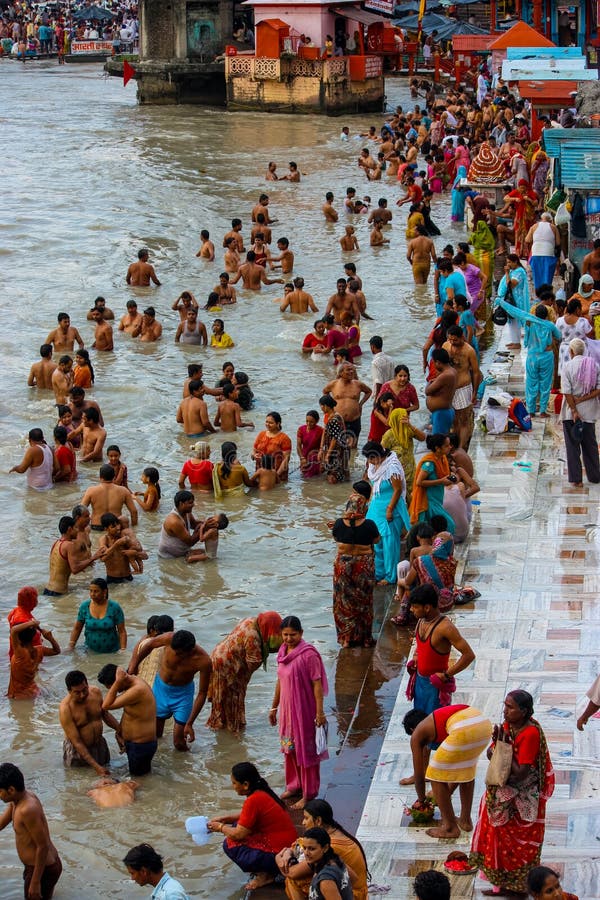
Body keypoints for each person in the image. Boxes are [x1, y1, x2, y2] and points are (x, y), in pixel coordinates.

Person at [470, 690, 555, 895]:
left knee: (516, 846)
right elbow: (492, 754)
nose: (505, 711)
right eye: (505, 705)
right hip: (502, 794)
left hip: (519, 801)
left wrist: (504, 746)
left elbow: (520, 774)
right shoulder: (508, 726)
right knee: (497, 840)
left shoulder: (530, 734)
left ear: (524, 711)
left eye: (510, 707)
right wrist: (499, 744)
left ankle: (518, 889)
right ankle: (503, 885)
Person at [404, 704, 492, 839]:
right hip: (483, 726)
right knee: (465, 770)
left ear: (412, 729)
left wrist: (422, 801)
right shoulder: (438, 722)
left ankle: (450, 828)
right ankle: (465, 820)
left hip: (464, 728)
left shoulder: (417, 733)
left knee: (434, 774)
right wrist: (445, 794)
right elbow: (456, 773)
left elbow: (419, 776)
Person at [208, 762, 297, 892]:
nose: (233, 787)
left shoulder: (253, 800)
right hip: (288, 845)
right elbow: (247, 816)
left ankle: (266, 874)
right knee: (234, 825)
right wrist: (224, 819)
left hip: (282, 853)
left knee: (230, 843)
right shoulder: (261, 791)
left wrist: (220, 827)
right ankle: (266, 868)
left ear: (245, 785)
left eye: (234, 783)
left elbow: (238, 834)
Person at [269, 616, 328, 808]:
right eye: (285, 635)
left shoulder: (308, 654)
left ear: (301, 633)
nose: (288, 638)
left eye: (292, 635)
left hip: (304, 710)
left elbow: (316, 684)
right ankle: (294, 785)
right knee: (290, 749)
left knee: (305, 750)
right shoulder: (282, 652)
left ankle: (309, 792)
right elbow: (280, 681)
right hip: (287, 710)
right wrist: (274, 706)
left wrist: (320, 713)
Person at [128, 629, 212, 752]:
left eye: (179, 653)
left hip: (182, 695)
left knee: (178, 742)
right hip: (161, 689)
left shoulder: (204, 661)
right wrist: (134, 664)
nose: (176, 655)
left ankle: (186, 766)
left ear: (189, 651)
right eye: (174, 651)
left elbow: (202, 693)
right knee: (155, 734)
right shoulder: (168, 638)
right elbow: (149, 645)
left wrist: (190, 723)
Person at [277, 798, 369, 900]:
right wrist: (288, 852)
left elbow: (292, 873)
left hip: (356, 894)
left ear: (318, 821)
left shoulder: (325, 879)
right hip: (353, 889)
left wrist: (278, 858)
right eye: (305, 849)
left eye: (306, 818)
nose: (303, 822)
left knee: (293, 880)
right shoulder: (330, 842)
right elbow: (299, 843)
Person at [207, 612, 282, 732]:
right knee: (232, 698)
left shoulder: (251, 621)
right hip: (228, 667)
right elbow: (252, 664)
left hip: (218, 655)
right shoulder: (253, 637)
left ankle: (223, 726)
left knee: (223, 699)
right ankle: (231, 730)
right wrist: (275, 649)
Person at [0, 763, 63, 900]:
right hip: (42, 867)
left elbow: (43, 846)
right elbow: (1, 824)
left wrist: (35, 883)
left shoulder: (27, 809)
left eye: (0, 792)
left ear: (10, 790)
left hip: (43, 869)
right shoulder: (16, 800)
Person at [331, 491, 380, 647]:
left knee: (343, 602)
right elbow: (377, 540)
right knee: (364, 601)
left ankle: (346, 639)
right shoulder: (369, 524)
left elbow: (336, 538)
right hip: (363, 566)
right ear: (363, 507)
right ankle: (365, 639)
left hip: (342, 567)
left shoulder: (338, 524)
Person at [362, 441, 409, 584]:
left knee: (390, 544)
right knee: (377, 542)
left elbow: (398, 490)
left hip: (390, 509)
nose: (369, 462)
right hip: (376, 508)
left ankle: (390, 576)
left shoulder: (392, 467)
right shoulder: (374, 466)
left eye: (371, 458)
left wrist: (389, 509)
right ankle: (379, 572)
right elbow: (372, 485)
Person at [98, 664, 158, 776]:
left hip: (141, 745)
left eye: (111, 687)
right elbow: (129, 713)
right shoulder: (131, 685)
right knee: (139, 777)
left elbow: (106, 705)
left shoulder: (137, 689)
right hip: (136, 745)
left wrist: (117, 683)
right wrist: (119, 732)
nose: (112, 690)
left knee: (139, 781)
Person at [59, 669, 117, 775]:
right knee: (80, 781)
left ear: (87, 684)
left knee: (108, 776)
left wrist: (120, 731)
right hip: (78, 751)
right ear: (69, 691)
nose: (82, 695)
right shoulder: (65, 709)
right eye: (77, 692)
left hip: (99, 745)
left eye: (84, 690)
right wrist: (96, 766)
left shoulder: (95, 692)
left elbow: (105, 715)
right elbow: (76, 742)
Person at [560, 338, 600, 486]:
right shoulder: (594, 366)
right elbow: (598, 389)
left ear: (571, 351)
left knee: (572, 446)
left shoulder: (568, 367)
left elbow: (567, 392)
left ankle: (577, 480)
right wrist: (584, 398)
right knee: (590, 445)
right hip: (589, 412)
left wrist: (574, 410)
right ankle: (595, 476)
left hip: (571, 414)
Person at [443, 325, 481, 450]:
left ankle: (461, 447)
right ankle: (454, 444)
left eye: (455, 340)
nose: (453, 342)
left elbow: (476, 372)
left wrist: (475, 392)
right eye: (450, 340)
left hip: (463, 388)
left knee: (463, 419)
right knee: (453, 419)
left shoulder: (469, 350)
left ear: (462, 337)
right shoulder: (446, 346)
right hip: (449, 389)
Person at [409, 434, 455, 531]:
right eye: (446, 446)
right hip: (428, 501)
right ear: (437, 448)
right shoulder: (429, 463)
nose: (450, 447)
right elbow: (419, 482)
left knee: (432, 529)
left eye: (449, 444)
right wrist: (441, 481)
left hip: (437, 499)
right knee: (449, 525)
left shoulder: (442, 458)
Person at [69, 578, 127, 653]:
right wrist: (71, 645)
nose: (92, 594)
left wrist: (123, 650)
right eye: (91, 591)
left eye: (96, 591)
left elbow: (122, 631)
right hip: (90, 650)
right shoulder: (85, 606)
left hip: (112, 651)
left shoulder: (114, 607)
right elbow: (77, 628)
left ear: (104, 591)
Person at [381, 408, 426, 503]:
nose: (407, 418)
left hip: (410, 471)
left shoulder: (408, 431)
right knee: (400, 497)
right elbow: (381, 453)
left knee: (412, 497)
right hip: (396, 474)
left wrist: (410, 425)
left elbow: (423, 437)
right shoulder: (388, 435)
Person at [8, 619, 60, 700]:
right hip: (33, 691)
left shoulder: (20, 654)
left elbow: (13, 630)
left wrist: (32, 623)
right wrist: (50, 638)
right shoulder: (39, 650)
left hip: (19, 696)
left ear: (18, 638)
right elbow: (57, 651)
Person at [301, 827, 353, 900]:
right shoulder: (336, 859)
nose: (306, 853)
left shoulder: (325, 880)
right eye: (304, 848)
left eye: (312, 849)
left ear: (325, 848)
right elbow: (354, 879)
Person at [81, 464, 138, 529]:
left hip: (97, 526)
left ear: (100, 477)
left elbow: (81, 510)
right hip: (115, 528)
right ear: (114, 477)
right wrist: (134, 528)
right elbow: (134, 511)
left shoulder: (91, 490)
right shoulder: (123, 491)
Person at [123, 844, 189, 899]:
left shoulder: (170, 894)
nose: (132, 878)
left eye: (132, 873)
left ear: (143, 871)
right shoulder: (166, 889)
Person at [318, 395, 350, 484]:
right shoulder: (331, 416)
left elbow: (335, 438)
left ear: (326, 406)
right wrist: (322, 449)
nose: (321, 408)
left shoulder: (334, 419)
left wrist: (328, 454)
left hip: (338, 450)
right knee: (343, 470)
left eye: (321, 406)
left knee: (333, 475)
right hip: (339, 448)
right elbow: (325, 433)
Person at [252, 411, 292, 481]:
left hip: (278, 474)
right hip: (261, 471)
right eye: (266, 422)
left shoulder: (284, 438)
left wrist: (276, 475)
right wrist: (254, 456)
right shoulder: (261, 434)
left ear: (278, 424)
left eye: (271, 423)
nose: (267, 424)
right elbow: (254, 450)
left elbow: (286, 460)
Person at [526, 212, 560, 291]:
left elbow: (527, 240)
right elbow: (558, 243)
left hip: (536, 253)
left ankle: (539, 294)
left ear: (541, 219)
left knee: (537, 276)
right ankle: (547, 295)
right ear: (550, 220)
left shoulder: (534, 226)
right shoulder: (553, 227)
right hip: (548, 254)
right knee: (547, 276)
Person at [297, 410, 324, 478]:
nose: (308, 423)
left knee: (313, 478)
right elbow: (298, 446)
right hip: (304, 457)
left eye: (311, 422)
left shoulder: (321, 430)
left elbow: (324, 446)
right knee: (304, 478)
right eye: (307, 421)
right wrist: (302, 458)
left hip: (315, 458)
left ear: (317, 421)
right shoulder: (301, 429)